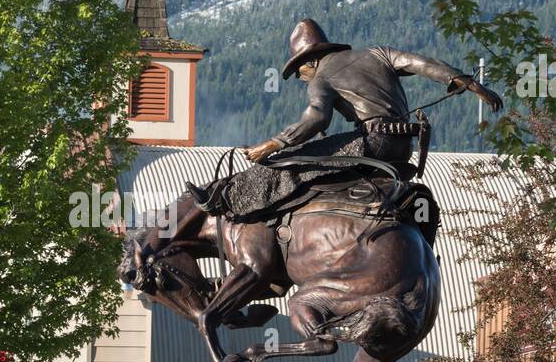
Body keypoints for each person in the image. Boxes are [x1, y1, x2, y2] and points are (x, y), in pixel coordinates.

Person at [191, 18, 502, 223]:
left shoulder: (321, 77)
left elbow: (316, 119)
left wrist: (271, 145)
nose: (301, 79)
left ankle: (223, 197)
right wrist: (473, 85)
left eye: (299, 72)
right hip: (403, 147)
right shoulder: (378, 53)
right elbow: (423, 63)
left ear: (309, 61)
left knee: (288, 164)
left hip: (372, 143)